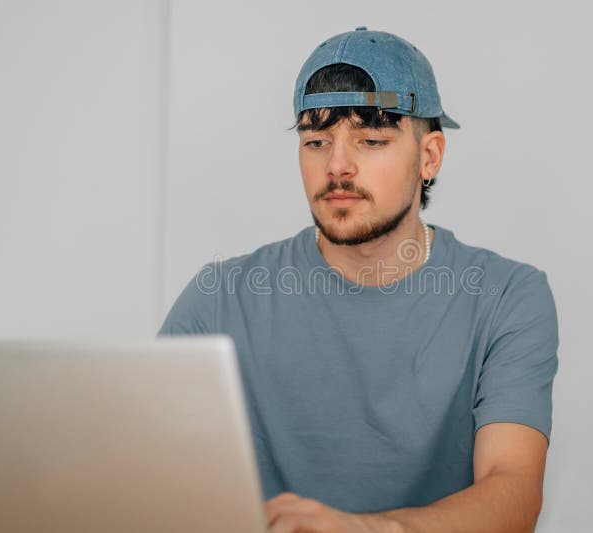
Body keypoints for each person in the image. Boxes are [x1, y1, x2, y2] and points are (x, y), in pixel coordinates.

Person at [158, 26, 559, 533]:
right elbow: (147, 479)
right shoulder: (217, 301)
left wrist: (368, 531)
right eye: (316, 140)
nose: (338, 166)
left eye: (371, 140)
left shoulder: (507, 297)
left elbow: (514, 491)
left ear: (430, 156)